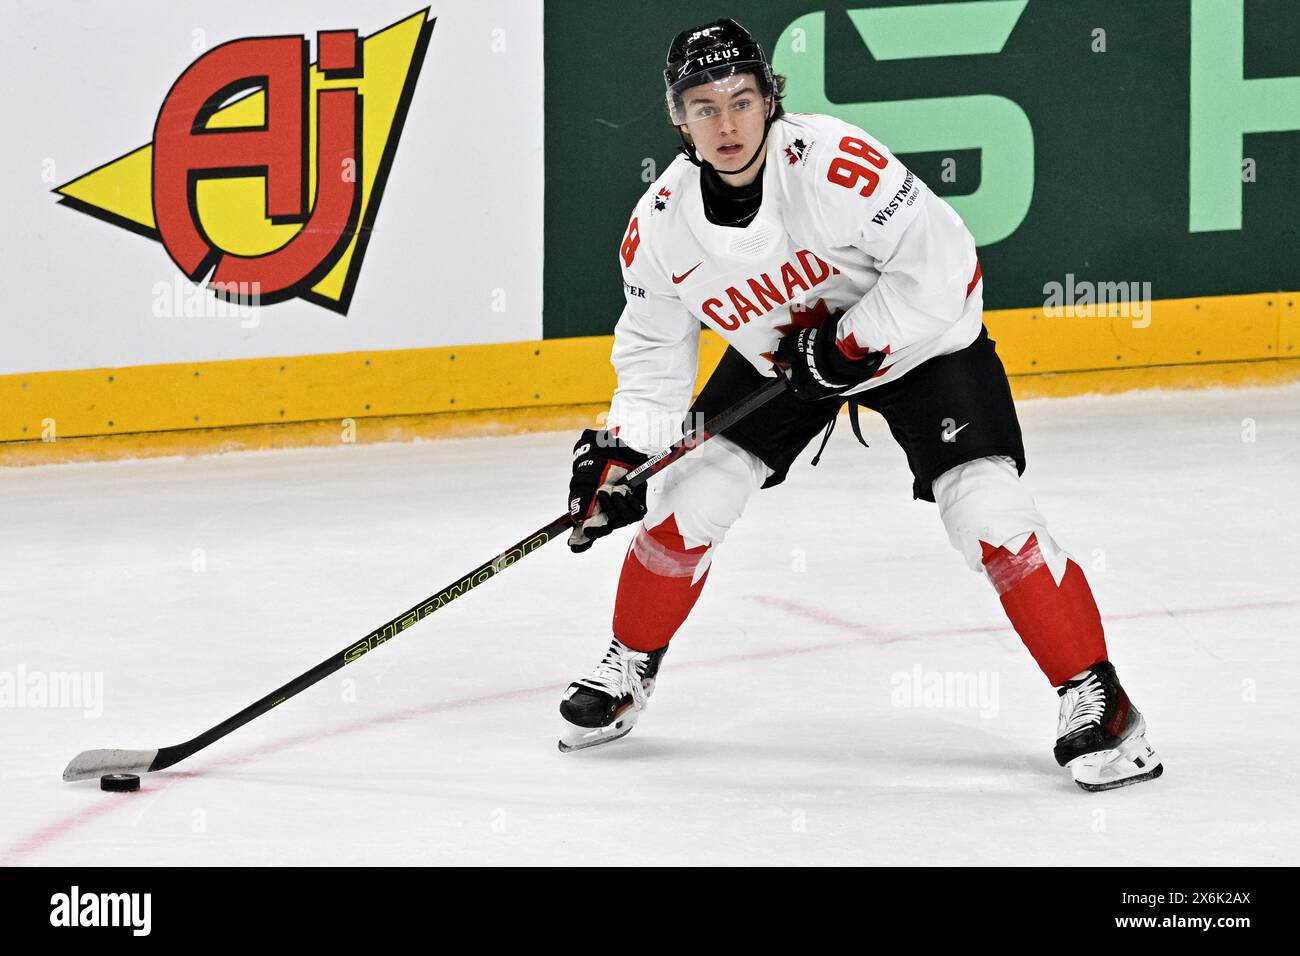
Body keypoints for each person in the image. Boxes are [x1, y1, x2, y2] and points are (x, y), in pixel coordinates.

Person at [560, 19, 1161, 791]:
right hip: (785, 360)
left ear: (771, 98)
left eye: (742, 100)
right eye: (704, 108)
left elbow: (944, 266)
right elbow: (651, 353)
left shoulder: (834, 164)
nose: (728, 124)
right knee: (689, 495)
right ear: (678, 119)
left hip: (921, 346)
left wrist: (851, 345)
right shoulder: (659, 226)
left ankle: (1099, 698)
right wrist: (624, 454)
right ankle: (630, 665)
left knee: (988, 515)